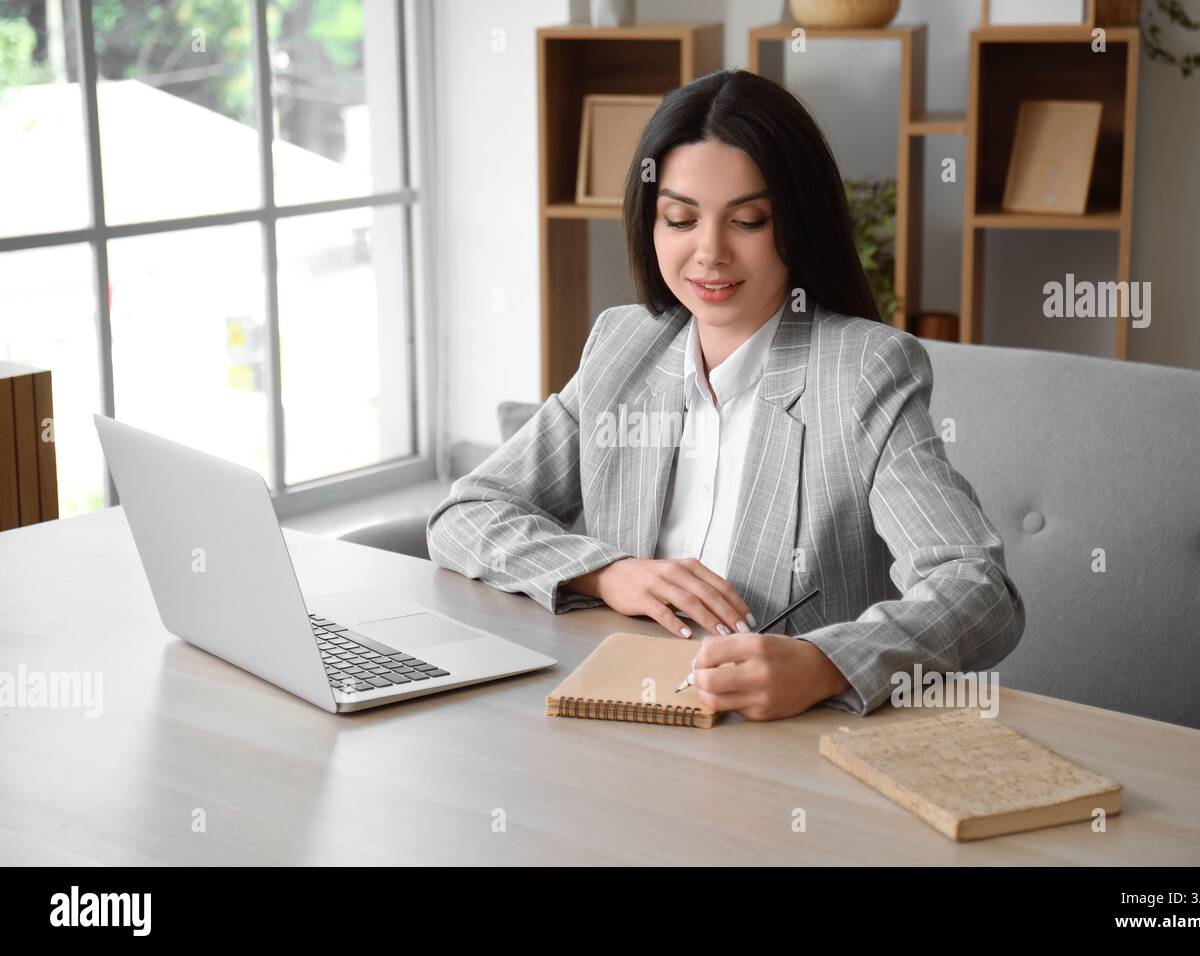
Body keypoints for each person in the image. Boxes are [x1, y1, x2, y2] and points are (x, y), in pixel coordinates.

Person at [428, 68, 1025, 721]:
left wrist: (827, 664)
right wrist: (607, 572)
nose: (708, 253)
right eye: (680, 218)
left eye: (747, 220)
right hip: (618, 714)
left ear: (797, 224)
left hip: (783, 746)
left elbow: (977, 590)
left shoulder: (862, 373)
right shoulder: (624, 347)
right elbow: (467, 512)